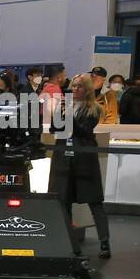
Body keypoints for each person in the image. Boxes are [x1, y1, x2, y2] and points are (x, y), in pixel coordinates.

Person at [54, 74, 112, 259]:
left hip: (84, 159)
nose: (75, 89)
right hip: (64, 157)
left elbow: (83, 129)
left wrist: (67, 114)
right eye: (73, 85)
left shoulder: (94, 109)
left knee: (95, 202)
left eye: (79, 86)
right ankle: (68, 241)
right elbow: (56, 128)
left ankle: (104, 242)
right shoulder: (64, 106)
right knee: (64, 200)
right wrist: (61, 111)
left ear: (87, 89)